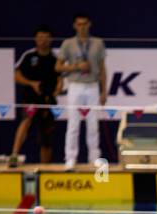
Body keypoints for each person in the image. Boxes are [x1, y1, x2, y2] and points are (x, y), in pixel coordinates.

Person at [57, 12, 107, 169]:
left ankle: (94, 157)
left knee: (93, 123)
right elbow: (58, 67)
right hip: (75, 86)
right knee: (73, 124)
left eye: (85, 24)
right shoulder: (68, 43)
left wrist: (104, 91)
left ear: (89, 24)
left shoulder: (98, 43)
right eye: (79, 24)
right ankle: (70, 158)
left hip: (92, 86)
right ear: (74, 26)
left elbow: (103, 69)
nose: (82, 27)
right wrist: (75, 66)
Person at [12, 26, 62, 164]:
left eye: (46, 37)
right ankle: (14, 154)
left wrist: (55, 93)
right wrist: (31, 83)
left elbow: (60, 80)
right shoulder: (29, 56)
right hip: (31, 98)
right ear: (35, 39)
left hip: (48, 100)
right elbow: (16, 76)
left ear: (50, 39)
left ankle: (45, 167)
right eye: (40, 37)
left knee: (46, 136)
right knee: (26, 122)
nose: (43, 40)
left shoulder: (55, 58)